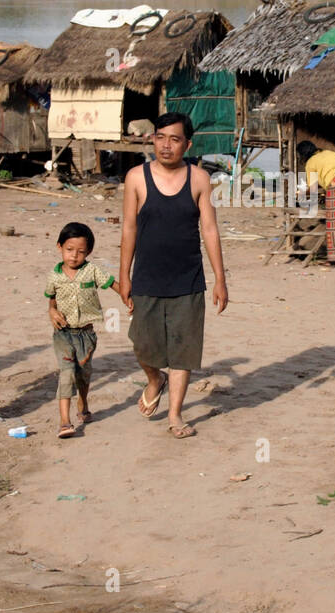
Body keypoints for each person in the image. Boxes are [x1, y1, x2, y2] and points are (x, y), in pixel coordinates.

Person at [119, 112, 228, 438]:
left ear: (187, 144)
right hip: (147, 277)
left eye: (175, 139)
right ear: (153, 139)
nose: (166, 145)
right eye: (161, 137)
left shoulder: (199, 179)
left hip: (188, 278)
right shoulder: (136, 177)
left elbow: (209, 229)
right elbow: (129, 227)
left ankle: (175, 415)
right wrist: (123, 275)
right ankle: (155, 379)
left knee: (183, 349)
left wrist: (220, 278)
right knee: (142, 344)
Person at [46, 222, 119, 439]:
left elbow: (114, 284)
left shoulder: (92, 271)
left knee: (83, 375)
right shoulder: (54, 276)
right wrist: (52, 311)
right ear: (59, 247)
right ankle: (65, 421)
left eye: (80, 252)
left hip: (86, 334)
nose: (74, 256)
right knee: (66, 373)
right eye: (69, 250)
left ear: (88, 252)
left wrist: (130, 298)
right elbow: (51, 300)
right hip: (63, 333)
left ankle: (83, 403)